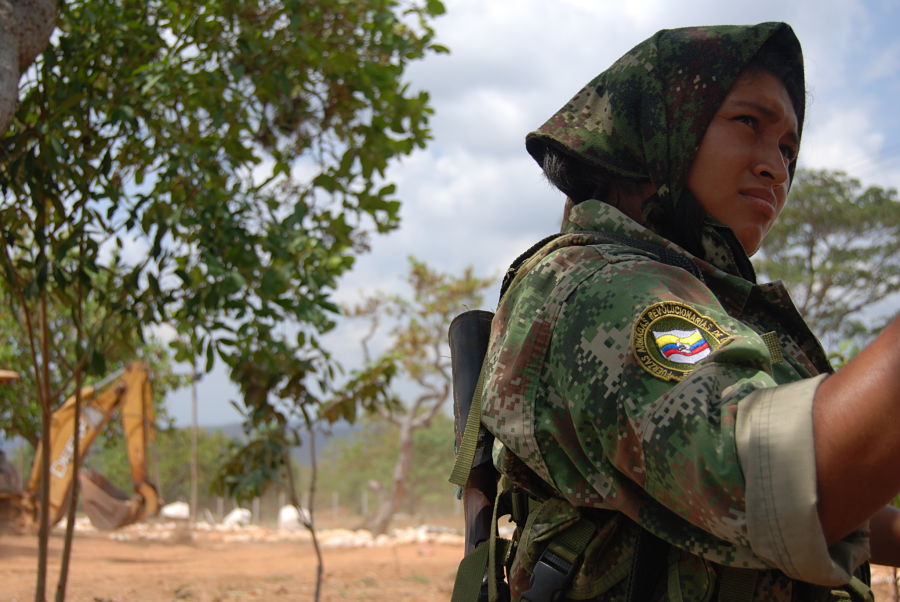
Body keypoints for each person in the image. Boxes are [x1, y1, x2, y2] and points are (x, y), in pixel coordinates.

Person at [478, 21, 900, 600]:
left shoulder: (701, 296)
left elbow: (804, 497)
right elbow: (763, 481)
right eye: (749, 123)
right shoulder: (605, 286)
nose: (777, 167)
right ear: (656, 131)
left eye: (787, 148)